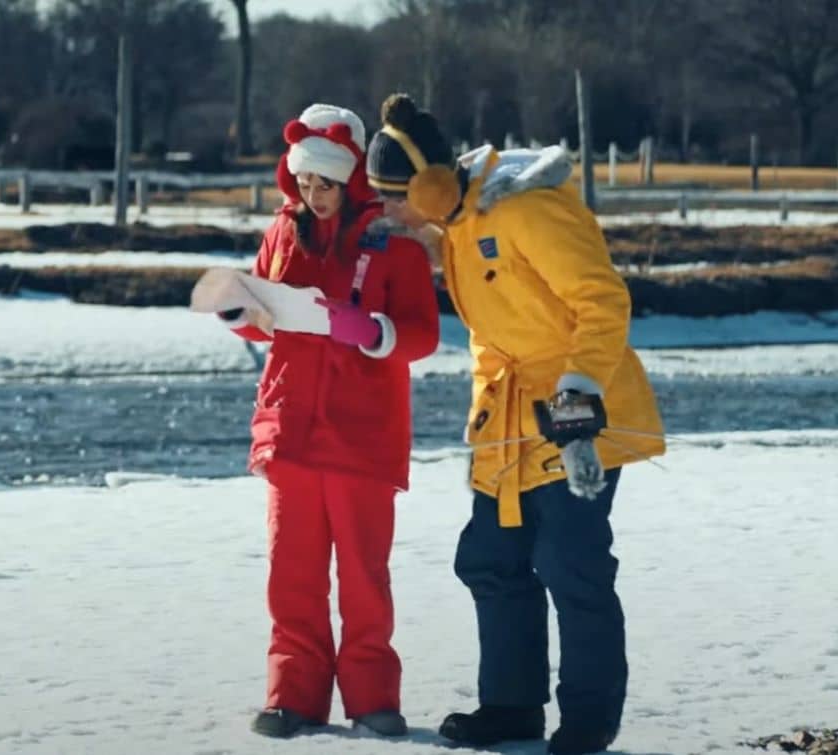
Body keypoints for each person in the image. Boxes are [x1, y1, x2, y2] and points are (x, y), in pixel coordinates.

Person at [365, 93, 665, 755]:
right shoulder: (458, 228)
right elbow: (491, 337)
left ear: (430, 186)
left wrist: (577, 397)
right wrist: (483, 418)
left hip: (576, 412)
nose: (385, 213)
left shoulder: (526, 211)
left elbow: (603, 299)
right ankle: (511, 704)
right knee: (492, 559)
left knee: (569, 561)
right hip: (507, 422)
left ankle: (589, 719)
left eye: (390, 198)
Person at [218, 103, 440, 739]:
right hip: (289, 431)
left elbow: (423, 335)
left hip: (362, 437)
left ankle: (373, 698)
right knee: (292, 576)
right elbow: (267, 309)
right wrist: (241, 315)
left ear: (351, 181)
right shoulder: (282, 232)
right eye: (303, 183)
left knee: (365, 580)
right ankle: (294, 695)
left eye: (325, 184)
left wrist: (374, 331)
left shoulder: (394, 240)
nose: (312, 195)